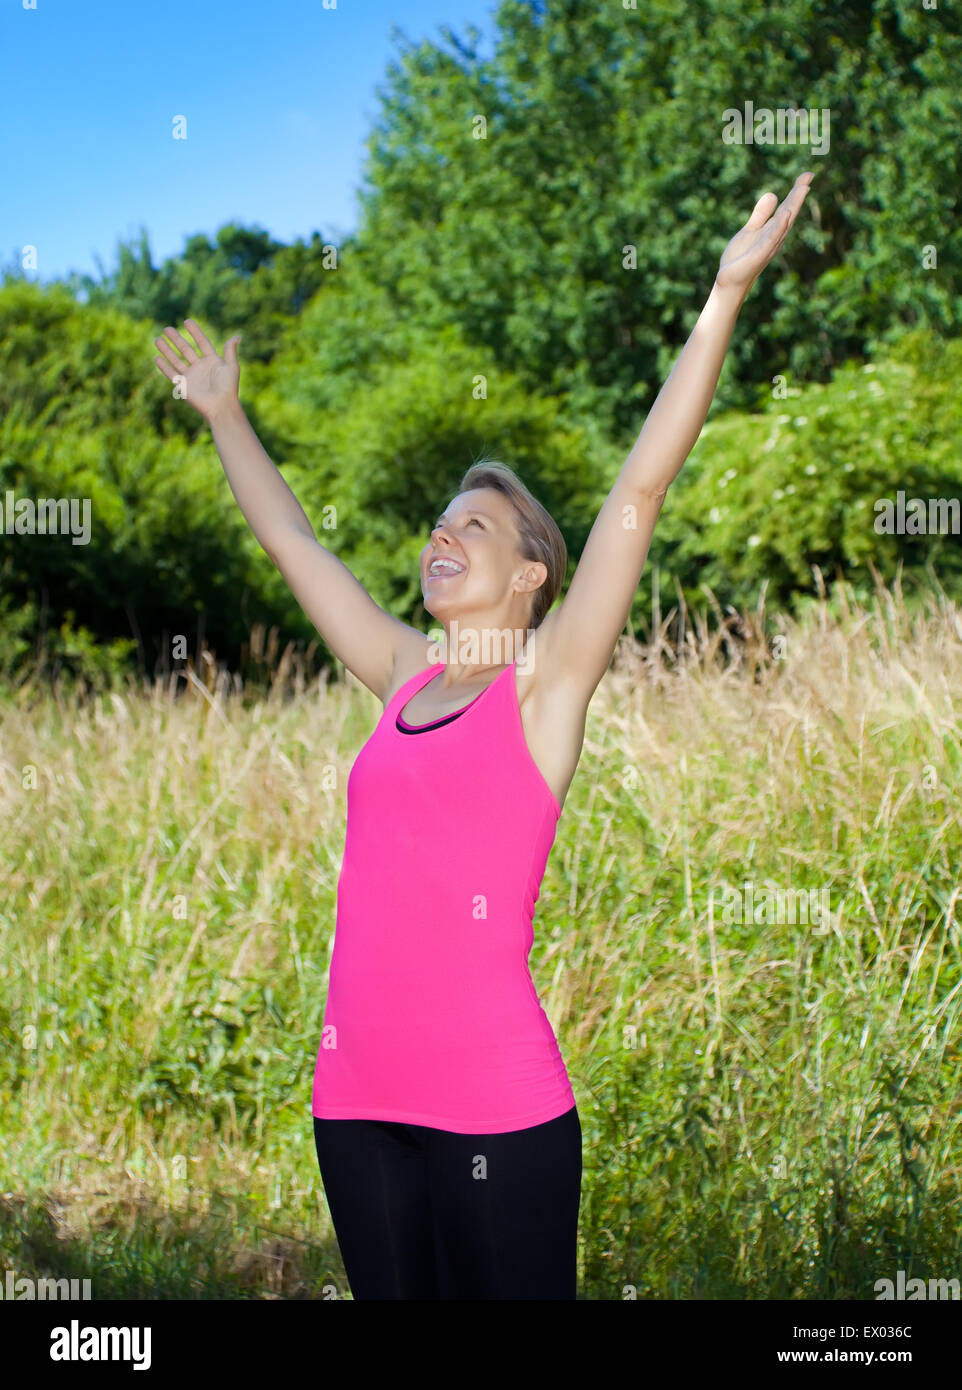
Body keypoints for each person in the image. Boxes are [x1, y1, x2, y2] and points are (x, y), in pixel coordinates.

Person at [152, 172, 813, 1299]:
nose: (442, 534)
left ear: (529, 575)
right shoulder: (402, 673)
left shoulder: (545, 684)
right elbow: (294, 543)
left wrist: (722, 296)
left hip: (497, 1110)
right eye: (440, 522)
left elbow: (641, 491)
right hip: (355, 1100)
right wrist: (226, 417)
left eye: (475, 524)